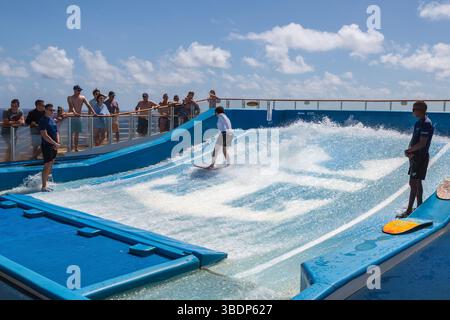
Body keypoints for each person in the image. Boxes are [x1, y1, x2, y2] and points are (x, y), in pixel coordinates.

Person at [397, 101, 434, 219]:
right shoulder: (418, 123)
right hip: (415, 157)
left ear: (420, 110)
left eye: (414, 109)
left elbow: (422, 143)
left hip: (419, 158)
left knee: (413, 183)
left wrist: (409, 151)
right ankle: (419, 206)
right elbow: (415, 139)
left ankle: (409, 211)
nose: (412, 111)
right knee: (417, 182)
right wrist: (410, 150)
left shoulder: (426, 123)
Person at [67, 85, 96, 152]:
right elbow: (71, 107)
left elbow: (88, 105)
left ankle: (76, 148)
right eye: (78, 90)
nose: (79, 91)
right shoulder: (69, 97)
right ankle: (70, 149)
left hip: (78, 117)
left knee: (77, 134)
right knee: (70, 134)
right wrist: (74, 113)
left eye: (80, 90)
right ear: (74, 90)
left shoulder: (82, 97)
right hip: (71, 117)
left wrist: (94, 113)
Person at [39, 104, 60, 192]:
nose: (52, 112)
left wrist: (57, 143)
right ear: (46, 110)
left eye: (53, 110)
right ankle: (43, 186)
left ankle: (46, 182)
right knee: (47, 164)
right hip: (47, 145)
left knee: (51, 163)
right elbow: (44, 135)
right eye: (50, 110)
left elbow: (56, 132)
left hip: (54, 145)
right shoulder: (43, 120)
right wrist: (54, 143)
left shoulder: (52, 119)